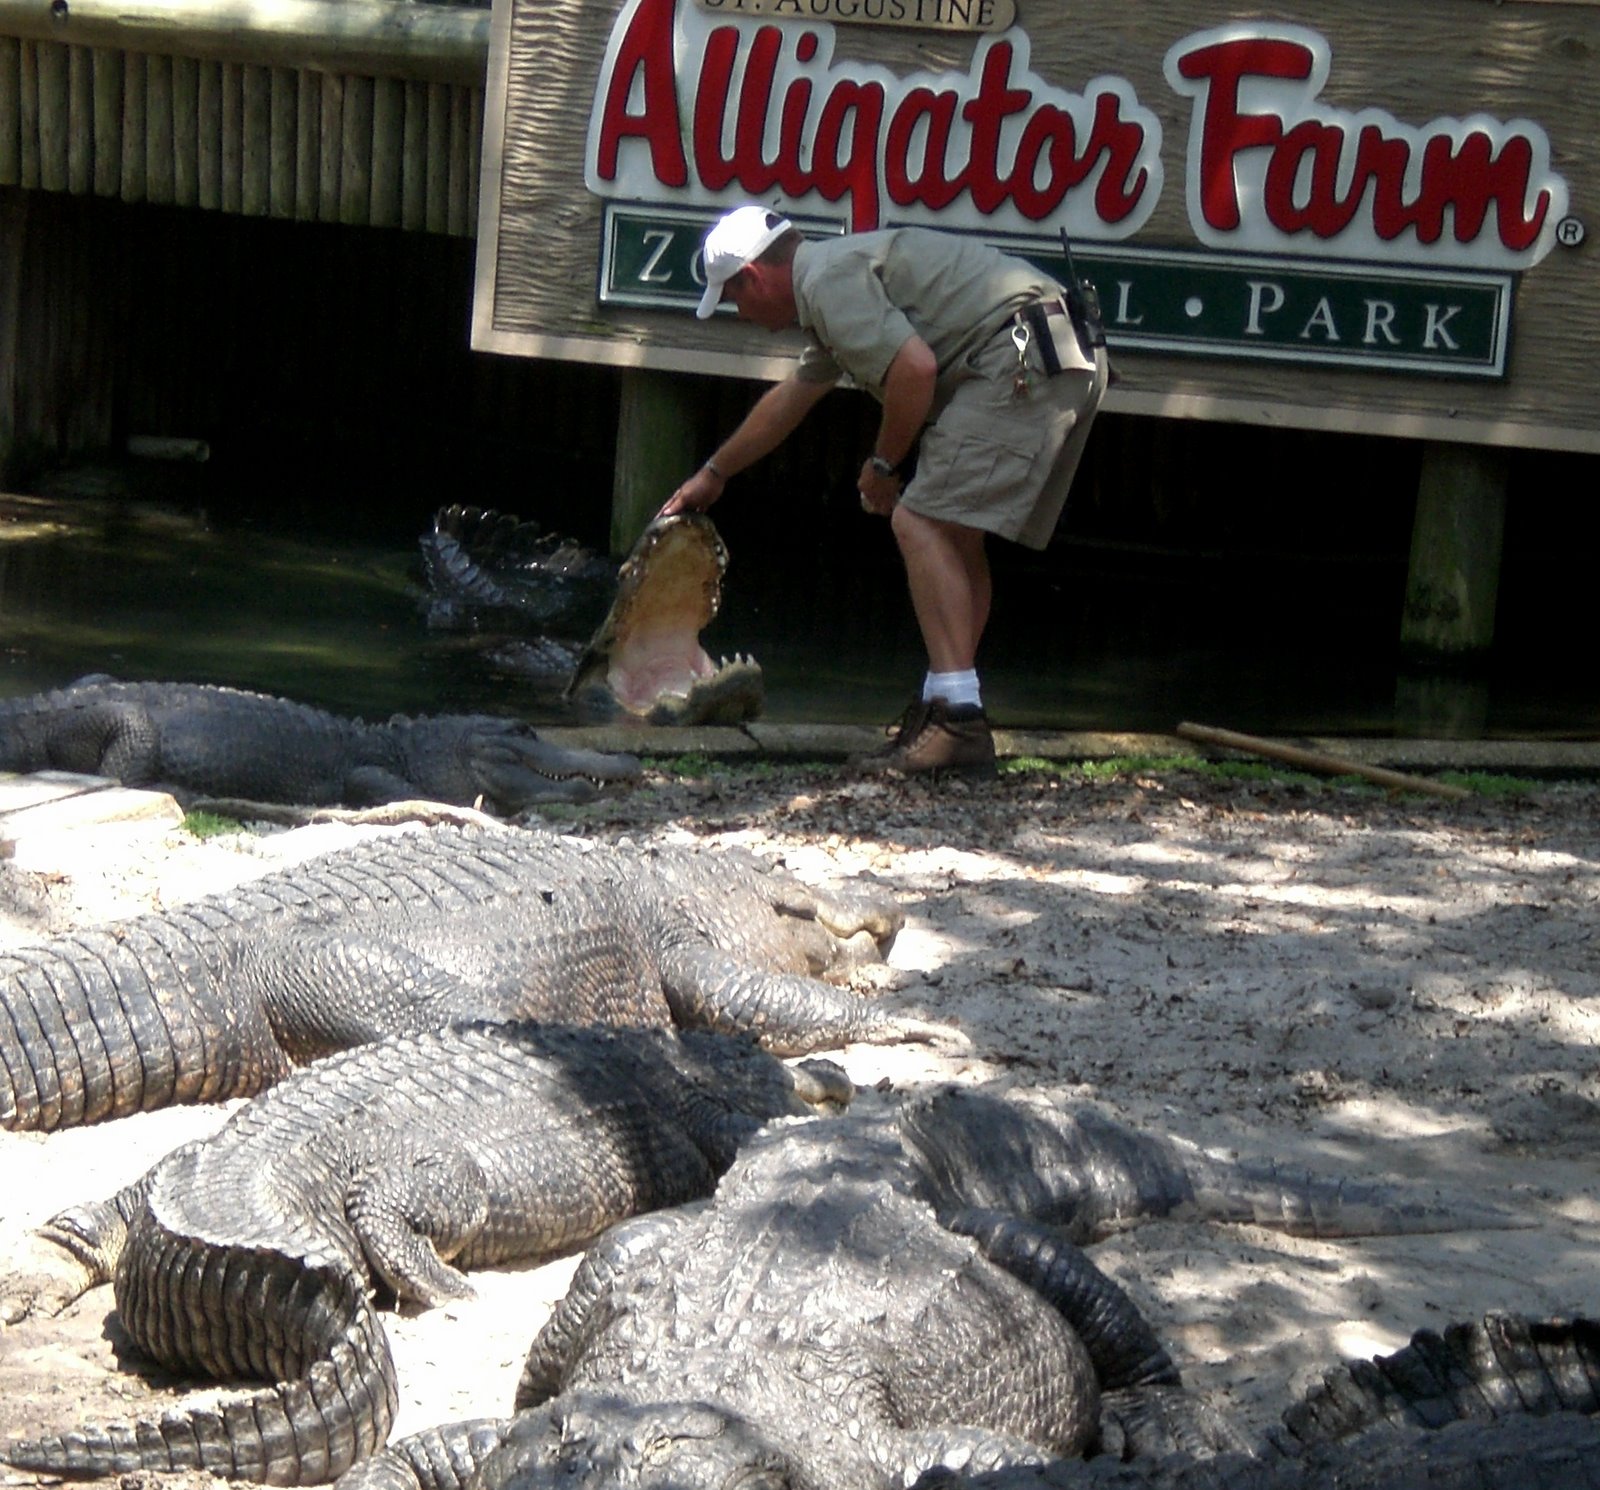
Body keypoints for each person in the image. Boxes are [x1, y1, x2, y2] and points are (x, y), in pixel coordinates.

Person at [660, 204, 1109, 778]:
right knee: (955, 534)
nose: (742, 315)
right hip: (1062, 349)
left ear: (752, 276)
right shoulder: (830, 275)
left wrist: (882, 463)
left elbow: (914, 370)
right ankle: (946, 707)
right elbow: (796, 394)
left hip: (1021, 355)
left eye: (734, 300)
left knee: (917, 521)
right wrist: (715, 474)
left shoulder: (825, 282)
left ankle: (958, 722)